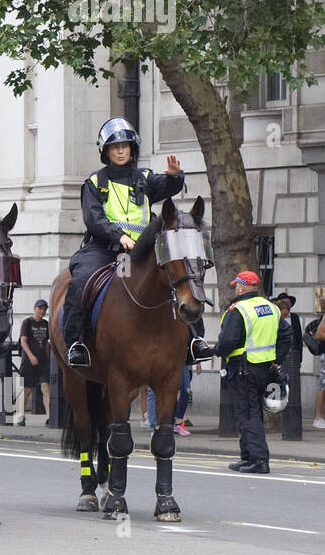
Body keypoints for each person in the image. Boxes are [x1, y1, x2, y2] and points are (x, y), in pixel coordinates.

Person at [62, 117, 213, 368]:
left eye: (125, 146)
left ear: (132, 149)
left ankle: (195, 340)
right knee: (81, 280)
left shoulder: (144, 177)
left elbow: (166, 186)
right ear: (106, 151)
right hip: (106, 249)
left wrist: (176, 177)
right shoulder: (94, 183)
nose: (120, 151)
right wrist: (118, 235)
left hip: (144, 249)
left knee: (182, 271)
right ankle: (76, 342)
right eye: (114, 147)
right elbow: (93, 217)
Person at [217, 271, 292, 474]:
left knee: (247, 414)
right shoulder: (271, 308)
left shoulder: (238, 309)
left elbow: (228, 342)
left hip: (243, 368)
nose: (235, 289)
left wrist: (216, 350)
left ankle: (259, 460)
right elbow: (286, 336)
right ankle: (247, 457)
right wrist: (276, 360)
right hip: (264, 369)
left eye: (236, 286)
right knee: (252, 412)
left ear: (241, 287)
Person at [17, 300, 51, 424]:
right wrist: (31, 356)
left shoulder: (46, 324)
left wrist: (48, 357)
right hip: (28, 361)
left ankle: (49, 416)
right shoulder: (27, 322)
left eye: (44, 309)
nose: (42, 311)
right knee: (27, 389)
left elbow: (46, 342)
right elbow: (23, 341)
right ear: (35, 308)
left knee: (46, 387)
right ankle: (21, 415)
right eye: (40, 308)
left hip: (43, 360)